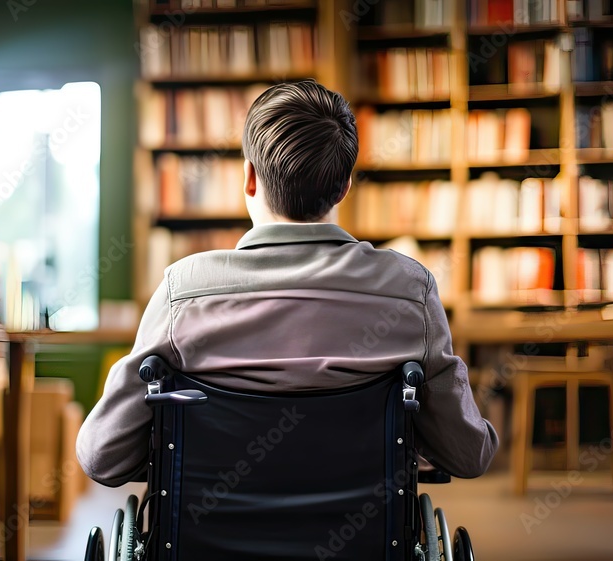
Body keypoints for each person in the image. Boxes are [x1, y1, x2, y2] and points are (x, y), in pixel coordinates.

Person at [76, 80, 498, 486]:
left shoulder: (182, 291)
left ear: (249, 177)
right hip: (363, 527)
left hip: (215, 526)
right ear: (345, 187)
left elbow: (102, 456)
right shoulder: (410, 290)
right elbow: (467, 455)